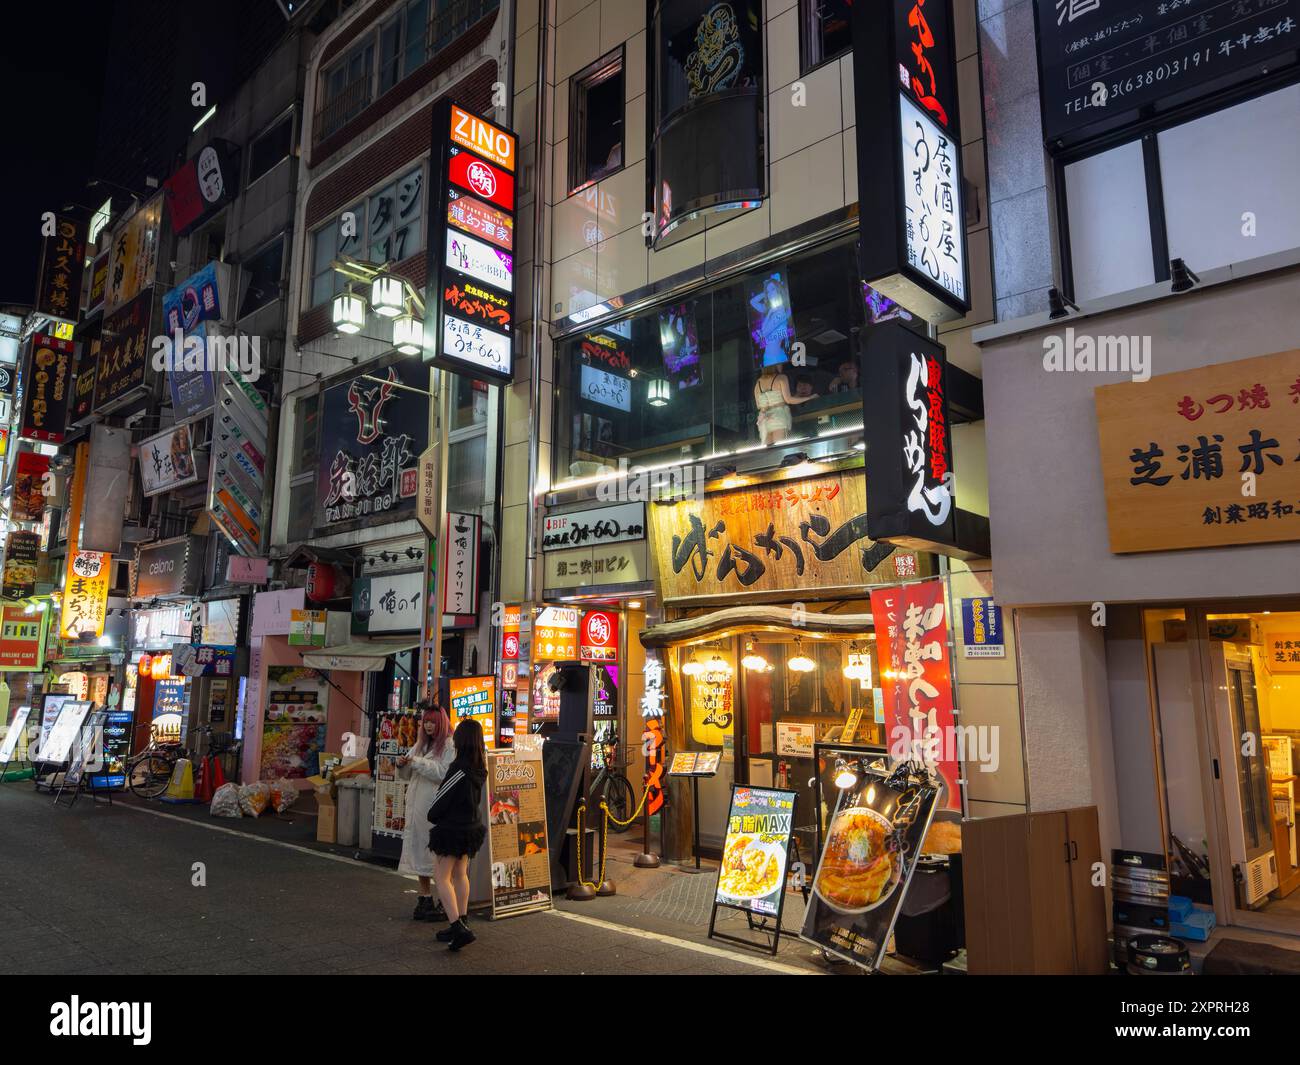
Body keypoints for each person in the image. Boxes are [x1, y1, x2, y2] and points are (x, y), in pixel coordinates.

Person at [428, 718, 489, 951]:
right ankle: (462, 920)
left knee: (442, 877)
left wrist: (432, 815)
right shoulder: (479, 767)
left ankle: (457, 927)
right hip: (471, 826)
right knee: (461, 874)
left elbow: (442, 798)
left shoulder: (458, 768)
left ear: (460, 740)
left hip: (452, 828)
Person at [396, 699, 454, 922]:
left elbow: (443, 773)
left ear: (441, 723)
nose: (428, 726)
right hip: (417, 806)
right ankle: (425, 897)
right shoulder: (421, 744)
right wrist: (402, 765)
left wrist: (417, 762)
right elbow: (408, 774)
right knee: (420, 850)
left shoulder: (449, 745)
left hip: (435, 807)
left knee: (436, 856)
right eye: (426, 723)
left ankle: (443, 900)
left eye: (432, 722)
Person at [754, 365, 816, 445]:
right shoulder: (781, 378)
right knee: (780, 447)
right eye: (780, 363)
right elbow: (789, 399)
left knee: (768, 451)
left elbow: (758, 405)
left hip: (764, 419)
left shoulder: (758, 383)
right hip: (778, 416)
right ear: (775, 365)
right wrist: (809, 398)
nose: (782, 366)